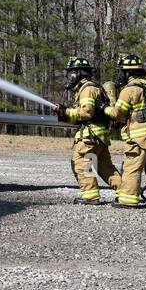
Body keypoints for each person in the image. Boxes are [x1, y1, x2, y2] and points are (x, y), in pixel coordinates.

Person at [104, 54, 146, 208]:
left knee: (132, 168)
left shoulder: (129, 90)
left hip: (140, 138)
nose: (120, 75)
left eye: (122, 72)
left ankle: (128, 201)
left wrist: (104, 108)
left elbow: (117, 113)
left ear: (128, 73)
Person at [52, 56, 121, 204]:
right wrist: (63, 113)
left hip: (90, 136)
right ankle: (125, 192)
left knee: (82, 162)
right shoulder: (89, 88)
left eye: (72, 73)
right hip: (99, 136)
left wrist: (67, 111)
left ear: (79, 73)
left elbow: (87, 113)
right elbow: (81, 116)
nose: (70, 77)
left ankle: (90, 196)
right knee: (105, 167)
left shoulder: (87, 89)